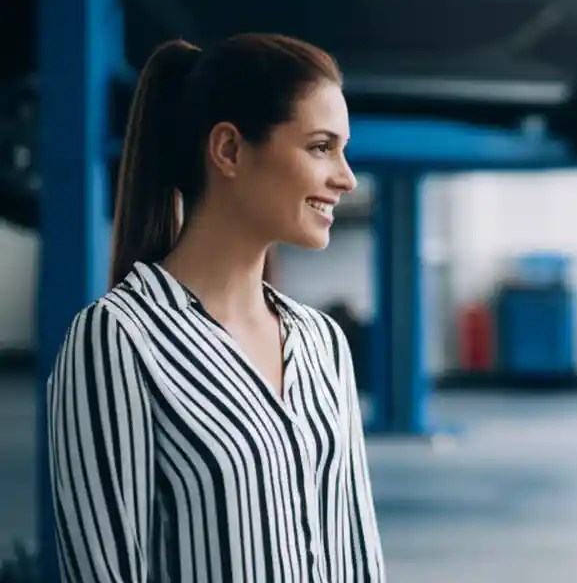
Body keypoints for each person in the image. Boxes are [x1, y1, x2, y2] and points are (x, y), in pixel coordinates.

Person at [46, 33, 385, 582]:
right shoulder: (118, 340)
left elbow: (359, 560)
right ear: (229, 150)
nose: (345, 176)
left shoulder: (323, 344)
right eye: (321, 147)